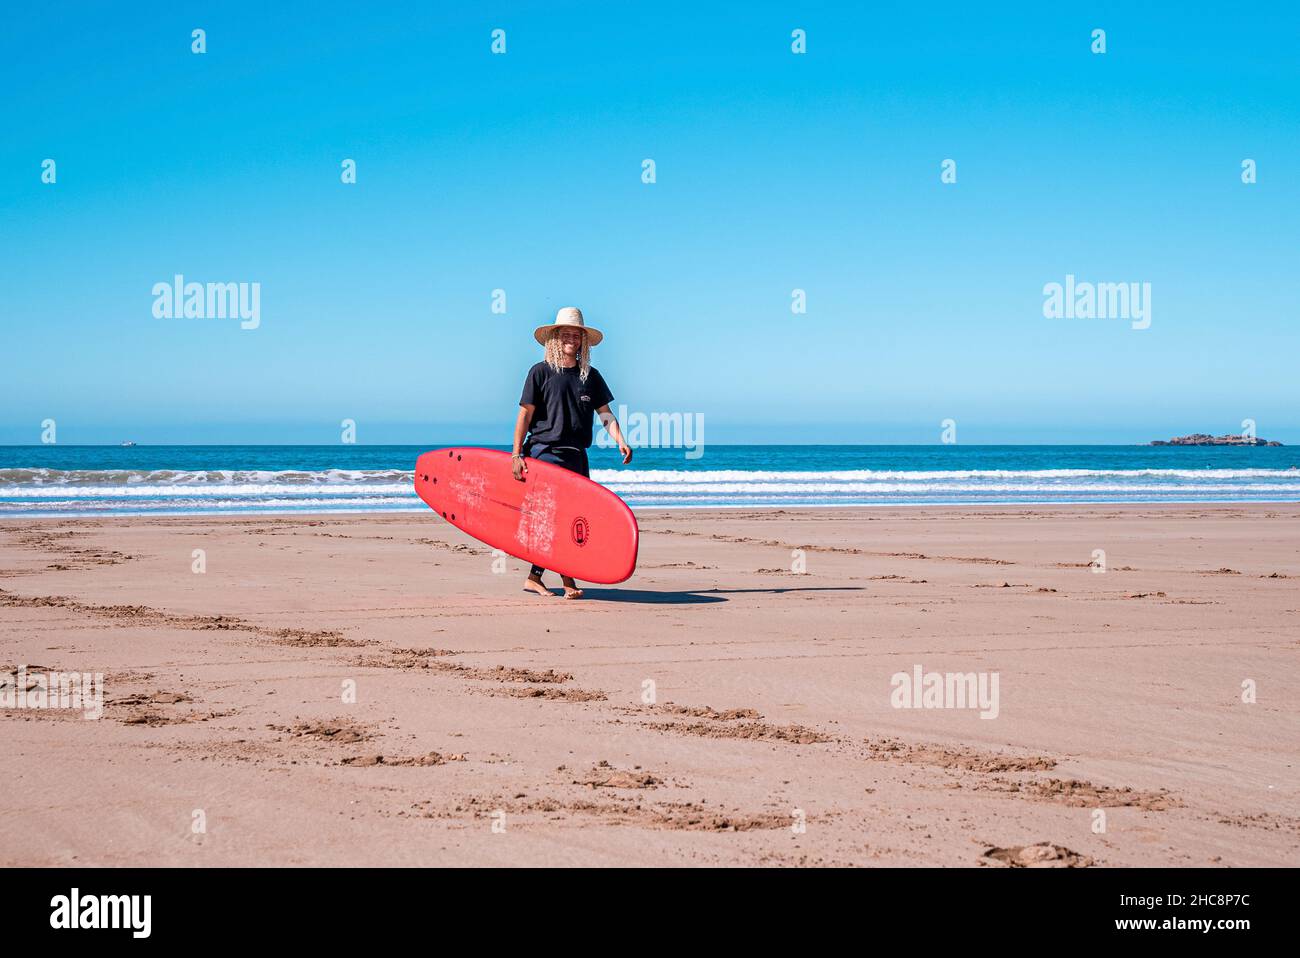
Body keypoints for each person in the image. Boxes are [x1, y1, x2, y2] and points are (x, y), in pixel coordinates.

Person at [512, 307, 632, 598]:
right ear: (555, 338)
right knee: (556, 516)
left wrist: (620, 440)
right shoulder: (540, 372)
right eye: (565, 334)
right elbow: (525, 415)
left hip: (577, 455)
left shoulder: (590, 376)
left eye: (576, 335)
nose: (571, 339)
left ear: (582, 341)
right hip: (545, 452)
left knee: (573, 517)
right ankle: (567, 582)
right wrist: (516, 454)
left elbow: (605, 414)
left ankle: (535, 577)